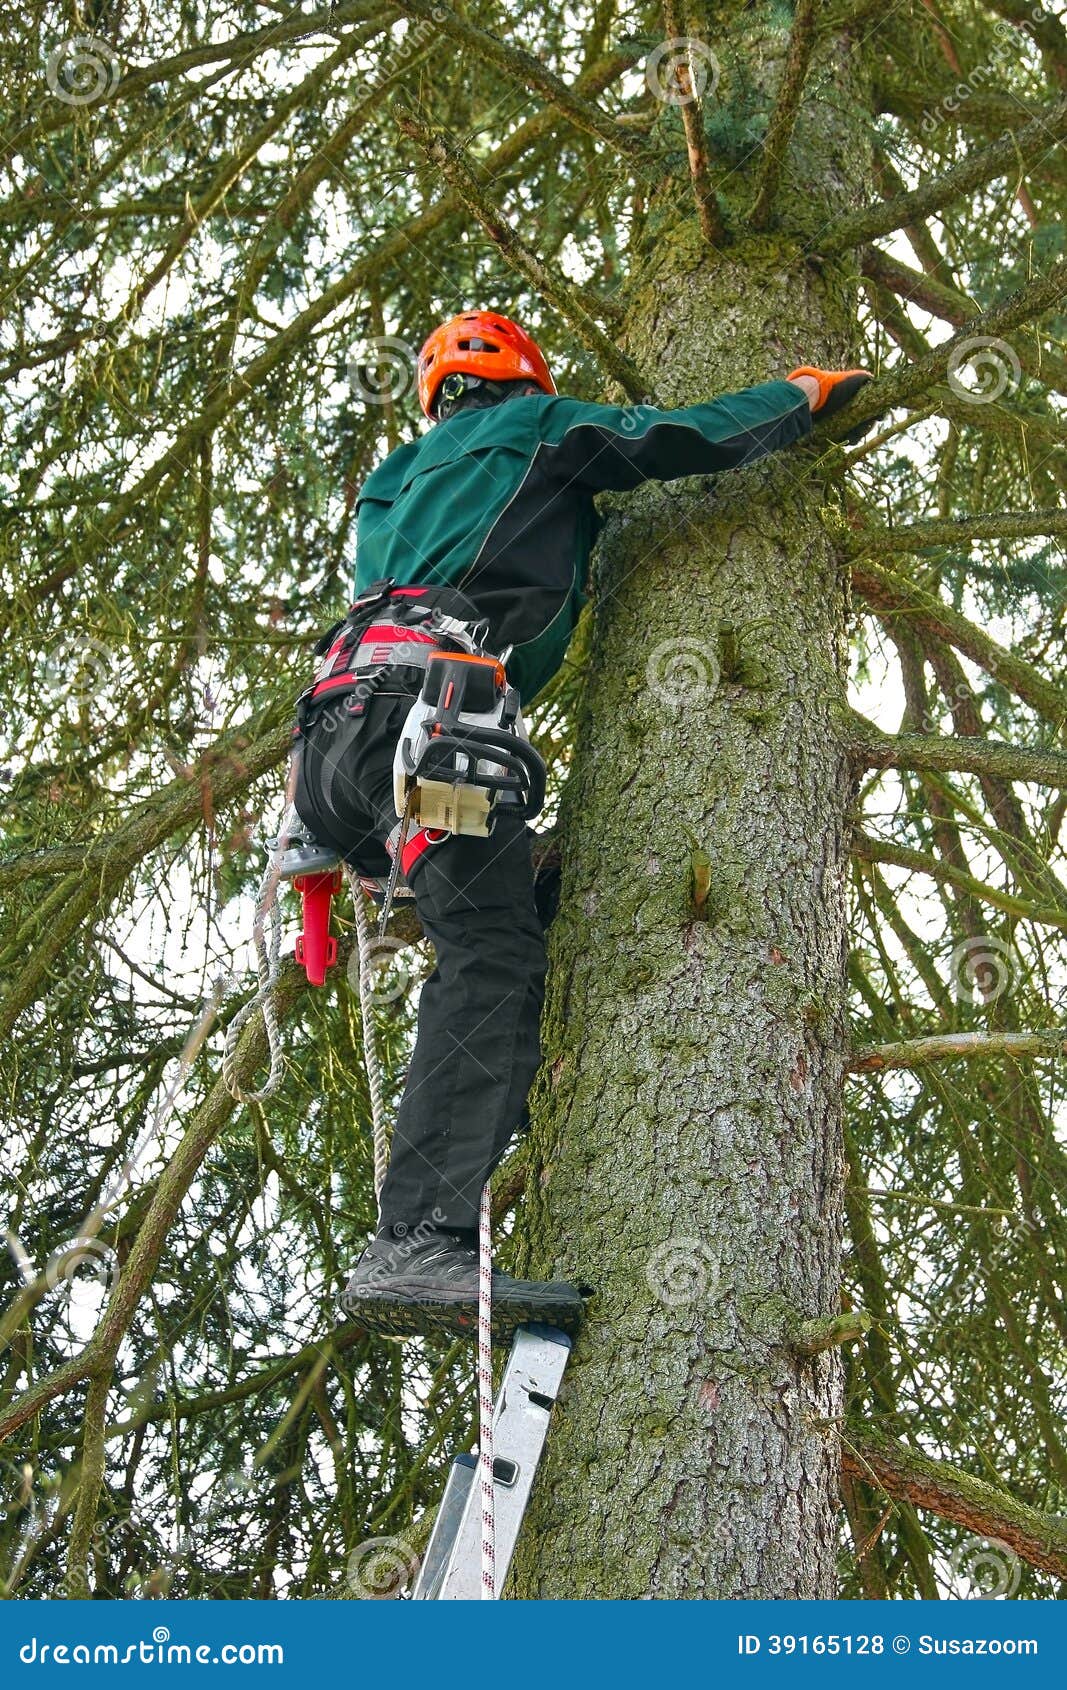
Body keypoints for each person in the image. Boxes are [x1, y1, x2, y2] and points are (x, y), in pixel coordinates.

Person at [291, 309, 872, 1341]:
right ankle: (416, 1240)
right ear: (519, 375)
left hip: (339, 739)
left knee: (515, 921)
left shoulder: (396, 480)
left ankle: (460, 1181)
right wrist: (793, 399)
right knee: (492, 951)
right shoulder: (535, 427)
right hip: (426, 706)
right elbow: (672, 440)